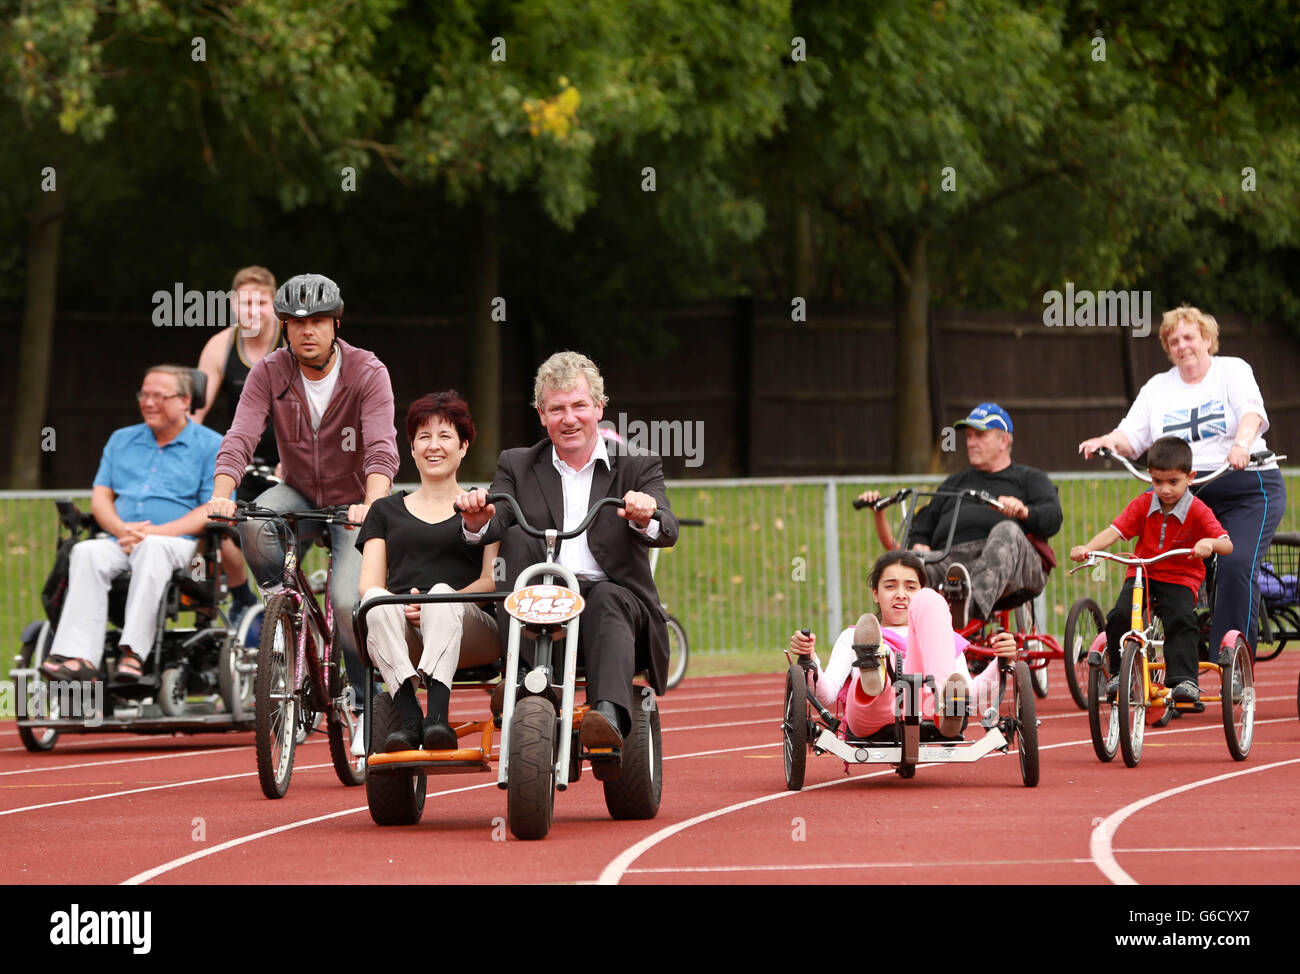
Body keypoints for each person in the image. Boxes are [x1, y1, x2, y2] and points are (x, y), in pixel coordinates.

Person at [456, 351, 679, 757]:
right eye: (557, 408)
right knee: (520, 537)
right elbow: (495, 517)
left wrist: (644, 514)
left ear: (599, 408)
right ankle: (520, 677)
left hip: (608, 602)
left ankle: (606, 714)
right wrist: (476, 520)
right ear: (542, 415)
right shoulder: (518, 464)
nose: (569, 418)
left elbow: (666, 529)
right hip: (539, 596)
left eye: (579, 405)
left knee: (608, 597)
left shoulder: (637, 465)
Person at [205, 273, 400, 695]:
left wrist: (373, 502)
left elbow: (382, 448)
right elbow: (239, 437)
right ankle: (288, 609)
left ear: (335, 326)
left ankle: (368, 706)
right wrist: (222, 494)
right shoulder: (268, 372)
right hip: (298, 493)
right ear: (285, 328)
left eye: (317, 321)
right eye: (295, 322)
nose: (307, 330)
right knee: (253, 522)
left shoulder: (367, 371)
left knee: (350, 604)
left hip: (354, 504)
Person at [1079, 305, 1286, 656]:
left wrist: (1241, 444)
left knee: (1235, 564)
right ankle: (1140, 657)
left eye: (1189, 337)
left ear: (1206, 339)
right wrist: (1108, 441)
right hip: (1180, 492)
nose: (1182, 345)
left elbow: (1251, 414)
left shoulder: (1232, 371)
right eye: (1173, 340)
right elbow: (1131, 436)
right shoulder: (1158, 388)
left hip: (1244, 485)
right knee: (1152, 565)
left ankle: (1230, 660)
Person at [39, 366, 223, 683]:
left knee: (152, 548)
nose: (148, 402)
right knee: (85, 552)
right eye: (144, 395)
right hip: (122, 540)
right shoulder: (121, 441)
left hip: (185, 549)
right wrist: (124, 531)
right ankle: (80, 658)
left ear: (184, 401)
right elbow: (100, 500)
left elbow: (211, 509)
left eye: (158, 396)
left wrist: (154, 533)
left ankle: (133, 653)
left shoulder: (211, 444)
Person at [356, 392, 501, 751]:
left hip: (471, 629)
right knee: (374, 601)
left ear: (464, 446)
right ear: (411, 447)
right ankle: (410, 719)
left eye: (445, 436)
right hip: (404, 626)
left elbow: (489, 581)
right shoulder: (384, 511)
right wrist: (409, 609)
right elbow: (369, 585)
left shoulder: (483, 507)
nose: (433, 446)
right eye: (424, 437)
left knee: (439, 590)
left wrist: (441, 601)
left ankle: (438, 718)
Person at [1071, 437, 1233, 704]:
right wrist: (1087, 548)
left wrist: (1209, 543)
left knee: (1181, 618)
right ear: (1150, 477)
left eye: (1173, 482)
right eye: (1158, 482)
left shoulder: (1198, 510)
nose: (1165, 490)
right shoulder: (1143, 504)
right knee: (1119, 615)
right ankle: (1117, 674)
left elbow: (1227, 545)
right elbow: (1115, 532)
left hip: (1180, 578)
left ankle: (1185, 680)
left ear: (1190, 477)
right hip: (1142, 573)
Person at [789, 551, 1016, 739]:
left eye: (910, 587)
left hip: (928, 708)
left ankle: (946, 709)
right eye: (890, 587)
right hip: (873, 712)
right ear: (875, 593)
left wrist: (1001, 662)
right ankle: (875, 671)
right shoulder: (855, 636)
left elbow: (971, 693)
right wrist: (810, 658)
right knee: (873, 655)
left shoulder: (942, 636)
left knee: (932, 603)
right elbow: (827, 696)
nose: (900, 595)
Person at [894, 402, 1062, 628]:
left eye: (980, 436)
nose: (971, 443)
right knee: (909, 565)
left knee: (1007, 530)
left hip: (1013, 562)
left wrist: (1023, 511)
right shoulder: (953, 483)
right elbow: (923, 527)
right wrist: (919, 544)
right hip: (952, 562)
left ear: (1004, 441)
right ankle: (893, 636)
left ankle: (968, 613)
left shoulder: (1029, 478)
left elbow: (1052, 519)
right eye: (969, 436)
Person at [192, 265, 286, 624]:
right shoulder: (220, 346)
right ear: (232, 304)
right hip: (241, 463)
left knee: (282, 547)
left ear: (274, 305)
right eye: (245, 302)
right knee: (215, 525)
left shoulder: (292, 341)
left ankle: (283, 617)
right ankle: (237, 600)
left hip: (288, 464)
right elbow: (194, 414)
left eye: (261, 302)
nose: (252, 310)